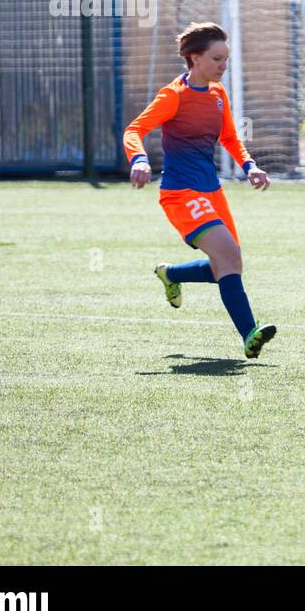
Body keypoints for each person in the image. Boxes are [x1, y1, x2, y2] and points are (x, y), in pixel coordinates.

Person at [123, 22, 278, 359]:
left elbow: (229, 139)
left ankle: (170, 273)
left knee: (229, 263)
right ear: (194, 58)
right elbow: (135, 129)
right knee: (226, 256)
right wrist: (138, 159)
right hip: (180, 193)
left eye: (225, 59)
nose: (223, 65)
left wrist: (250, 166)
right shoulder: (173, 96)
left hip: (212, 191)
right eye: (216, 58)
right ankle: (250, 334)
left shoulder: (218, 95)